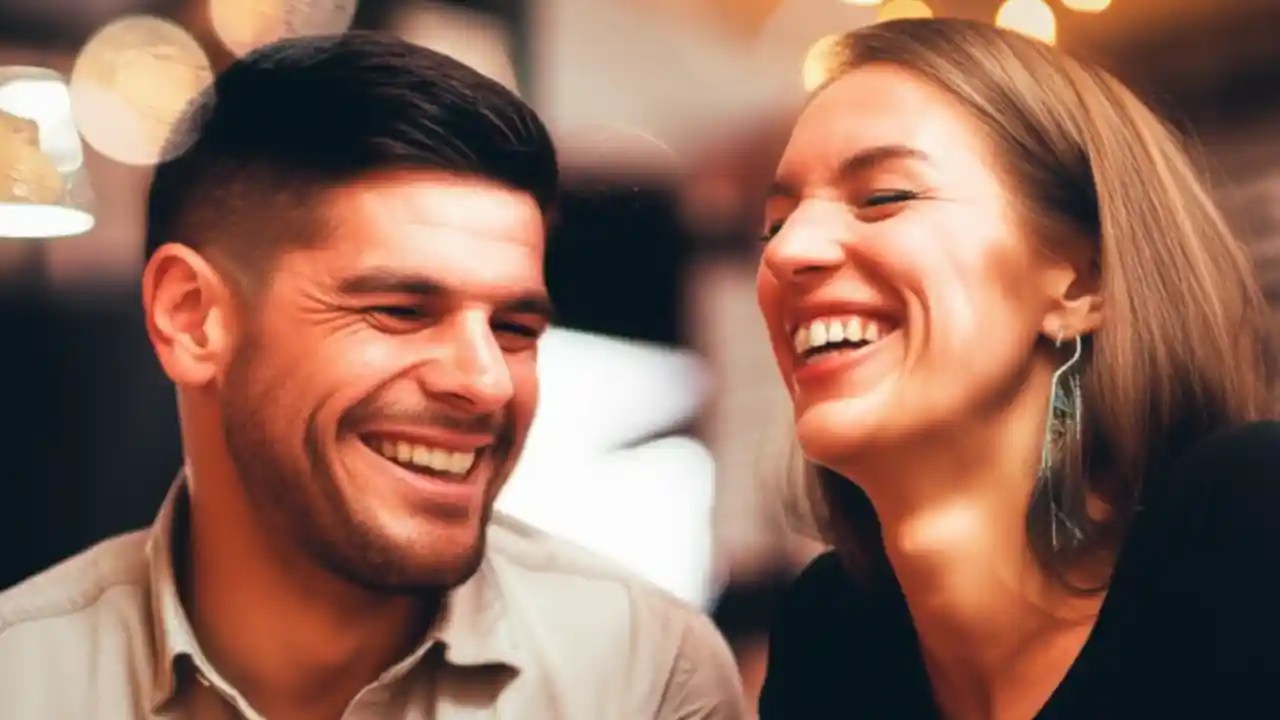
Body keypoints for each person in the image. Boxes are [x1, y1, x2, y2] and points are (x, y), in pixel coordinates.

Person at [0, 33, 744, 719]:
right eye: (399, 310)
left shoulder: (644, 676)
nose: (485, 381)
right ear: (192, 318)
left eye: (515, 329)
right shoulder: (25, 679)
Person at [754, 18, 1278, 719]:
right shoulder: (832, 640)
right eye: (775, 224)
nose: (787, 252)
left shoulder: (1247, 528)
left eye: (884, 197)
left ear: (1082, 281)